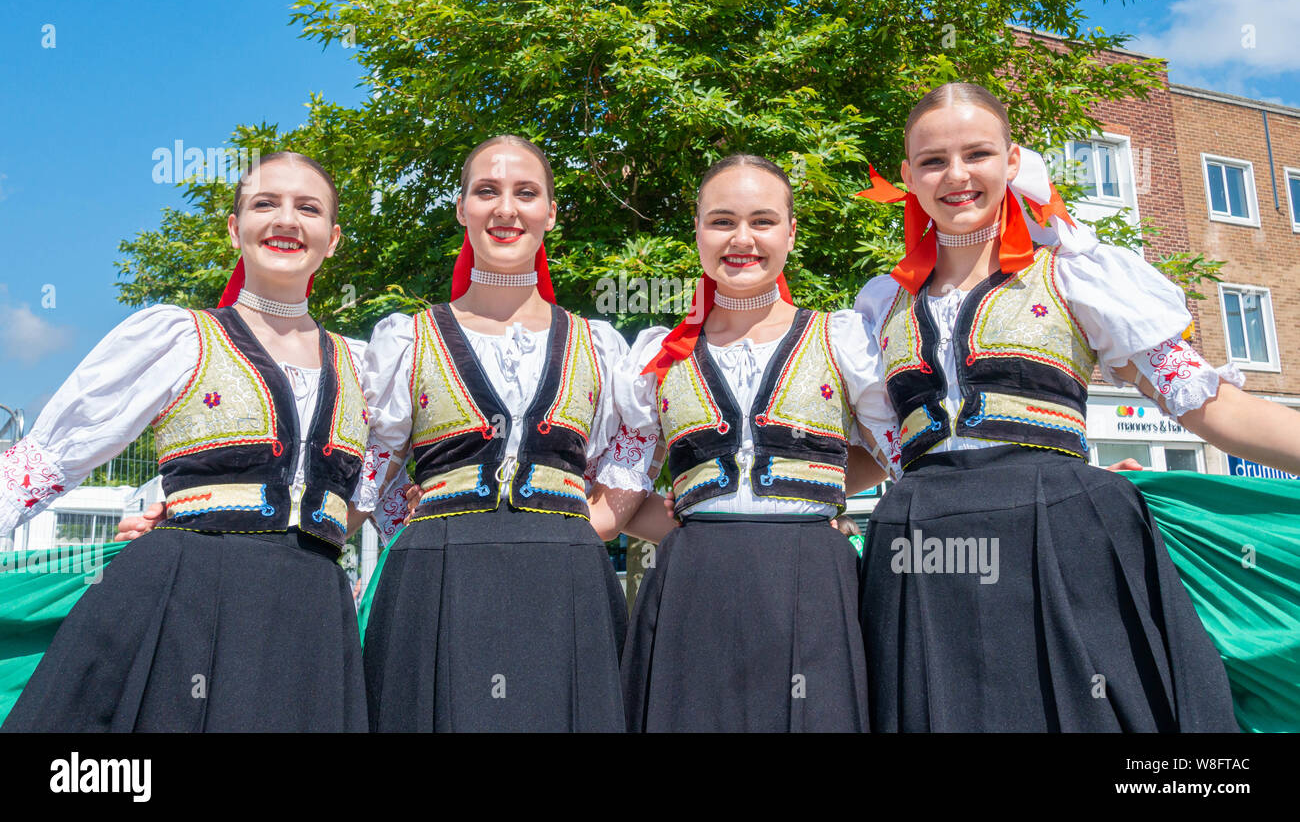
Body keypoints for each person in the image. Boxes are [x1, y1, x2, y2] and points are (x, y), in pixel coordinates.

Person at [855, 81, 1300, 732]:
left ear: (1011, 162)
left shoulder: (1074, 273)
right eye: (933, 160)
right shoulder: (876, 306)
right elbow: (869, 456)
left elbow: (1211, 409)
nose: (956, 175)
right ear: (907, 178)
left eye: (977, 154)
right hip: (922, 549)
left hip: (1059, 536)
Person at [0, 151, 370, 732]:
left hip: (310, 607)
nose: (286, 220)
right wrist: (193, 519)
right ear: (234, 228)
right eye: (265, 203)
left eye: (308, 208)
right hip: (186, 595)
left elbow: (373, 496)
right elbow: (47, 457)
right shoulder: (179, 338)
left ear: (333, 238)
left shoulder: (367, 367)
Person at [597, 153, 892, 732]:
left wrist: (809, 504)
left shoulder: (842, 337)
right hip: (692, 582)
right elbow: (622, 494)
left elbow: (895, 451)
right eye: (722, 220)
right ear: (699, 230)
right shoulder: (656, 358)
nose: (742, 239)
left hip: (814, 576)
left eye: (762, 220)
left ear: (790, 231)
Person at [357, 135, 637, 732]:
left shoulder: (602, 346)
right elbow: (367, 470)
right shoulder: (407, 340)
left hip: (568, 582)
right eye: (487, 191)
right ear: (461, 209)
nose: (506, 209)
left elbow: (628, 460)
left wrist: (580, 525)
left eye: (525, 193)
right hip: (436, 579)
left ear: (551, 213)